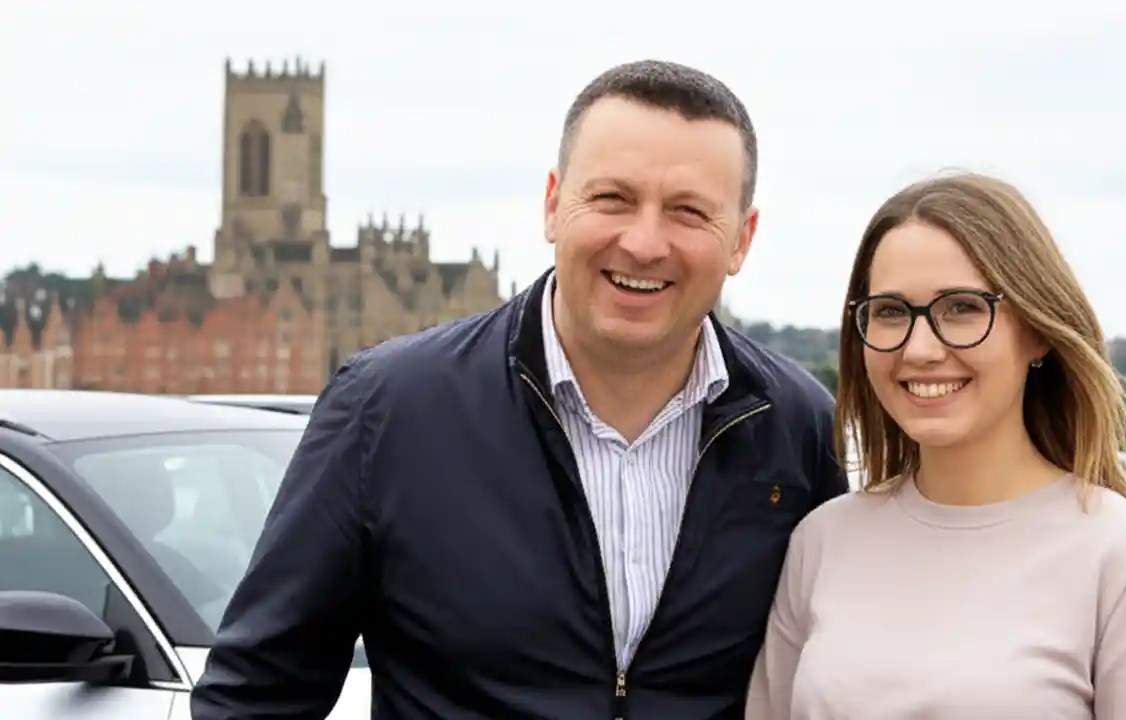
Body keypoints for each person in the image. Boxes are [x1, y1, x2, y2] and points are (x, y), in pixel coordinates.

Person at [189, 59, 848, 719]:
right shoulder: (389, 410)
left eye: (688, 211)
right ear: (553, 204)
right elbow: (255, 698)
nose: (645, 243)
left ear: (742, 239)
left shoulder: (797, 428)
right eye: (613, 198)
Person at [745, 172, 1126, 719]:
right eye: (891, 312)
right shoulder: (821, 542)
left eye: (963, 308)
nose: (919, 349)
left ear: (1038, 329)